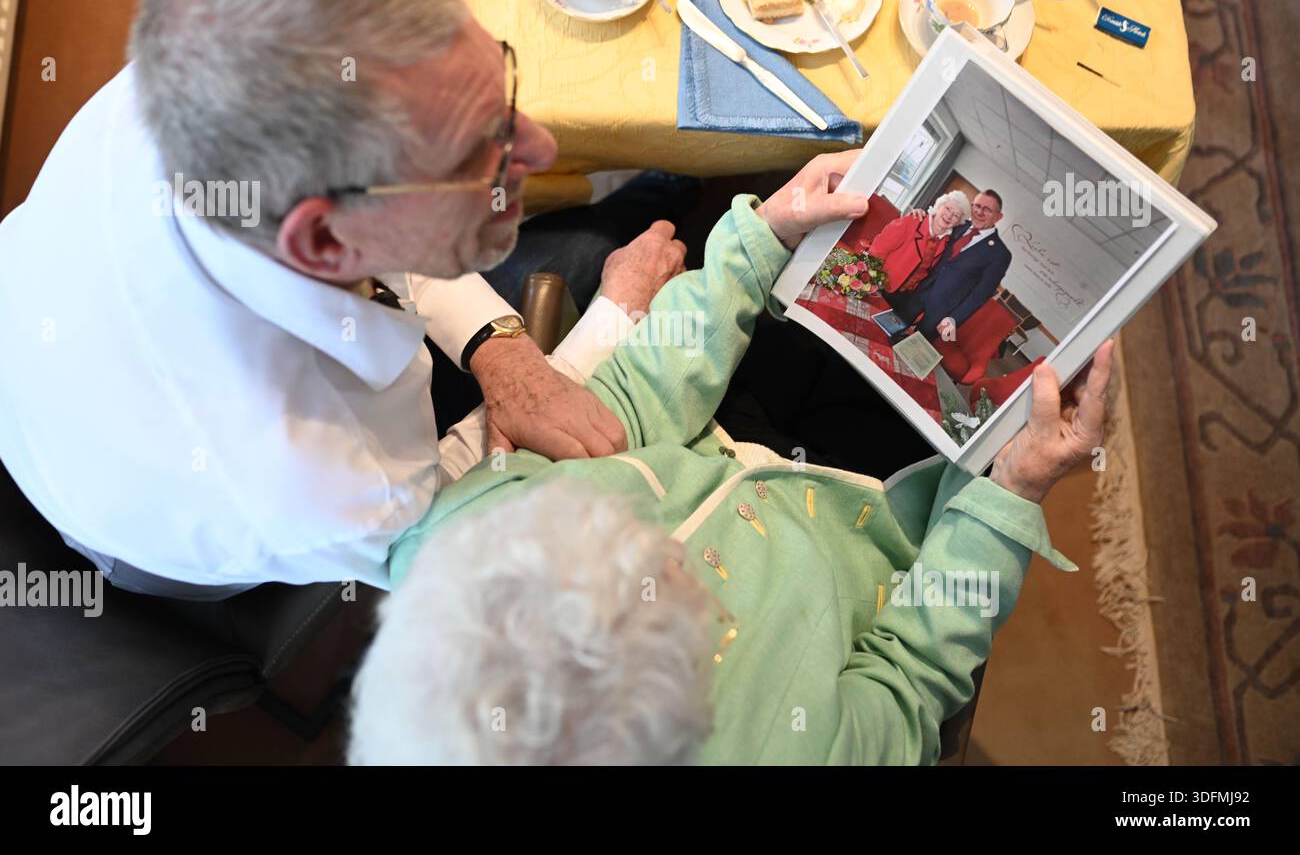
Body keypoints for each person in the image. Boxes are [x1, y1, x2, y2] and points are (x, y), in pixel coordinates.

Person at [0, 0, 694, 598]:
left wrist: (505, 350)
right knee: (588, 251)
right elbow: (452, 524)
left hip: (59, 372)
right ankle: (675, 189)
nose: (542, 147)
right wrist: (615, 318)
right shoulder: (328, 479)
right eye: (478, 149)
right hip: (171, 532)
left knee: (579, 247)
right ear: (326, 240)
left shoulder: (206, 68)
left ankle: (670, 187)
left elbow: (378, 230)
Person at [348, 150, 1115, 765]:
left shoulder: (453, 545)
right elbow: (912, 673)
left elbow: (634, 408)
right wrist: (1014, 488)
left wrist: (757, 245)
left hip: (716, 414)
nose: (682, 563)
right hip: (881, 505)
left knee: (810, 221)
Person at [888, 189, 1012, 344]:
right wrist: (921, 216)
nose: (979, 212)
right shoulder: (958, 225)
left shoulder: (1000, 254)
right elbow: (933, 226)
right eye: (977, 206)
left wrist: (954, 319)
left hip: (942, 314)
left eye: (987, 209)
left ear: (998, 216)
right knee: (887, 331)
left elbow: (979, 296)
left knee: (909, 351)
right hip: (917, 294)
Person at [874, 190, 968, 301]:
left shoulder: (948, 243)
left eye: (956, 215)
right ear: (939, 206)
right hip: (880, 284)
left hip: (904, 297)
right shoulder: (913, 220)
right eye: (947, 208)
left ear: (958, 222)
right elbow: (880, 247)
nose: (949, 215)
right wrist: (872, 278)